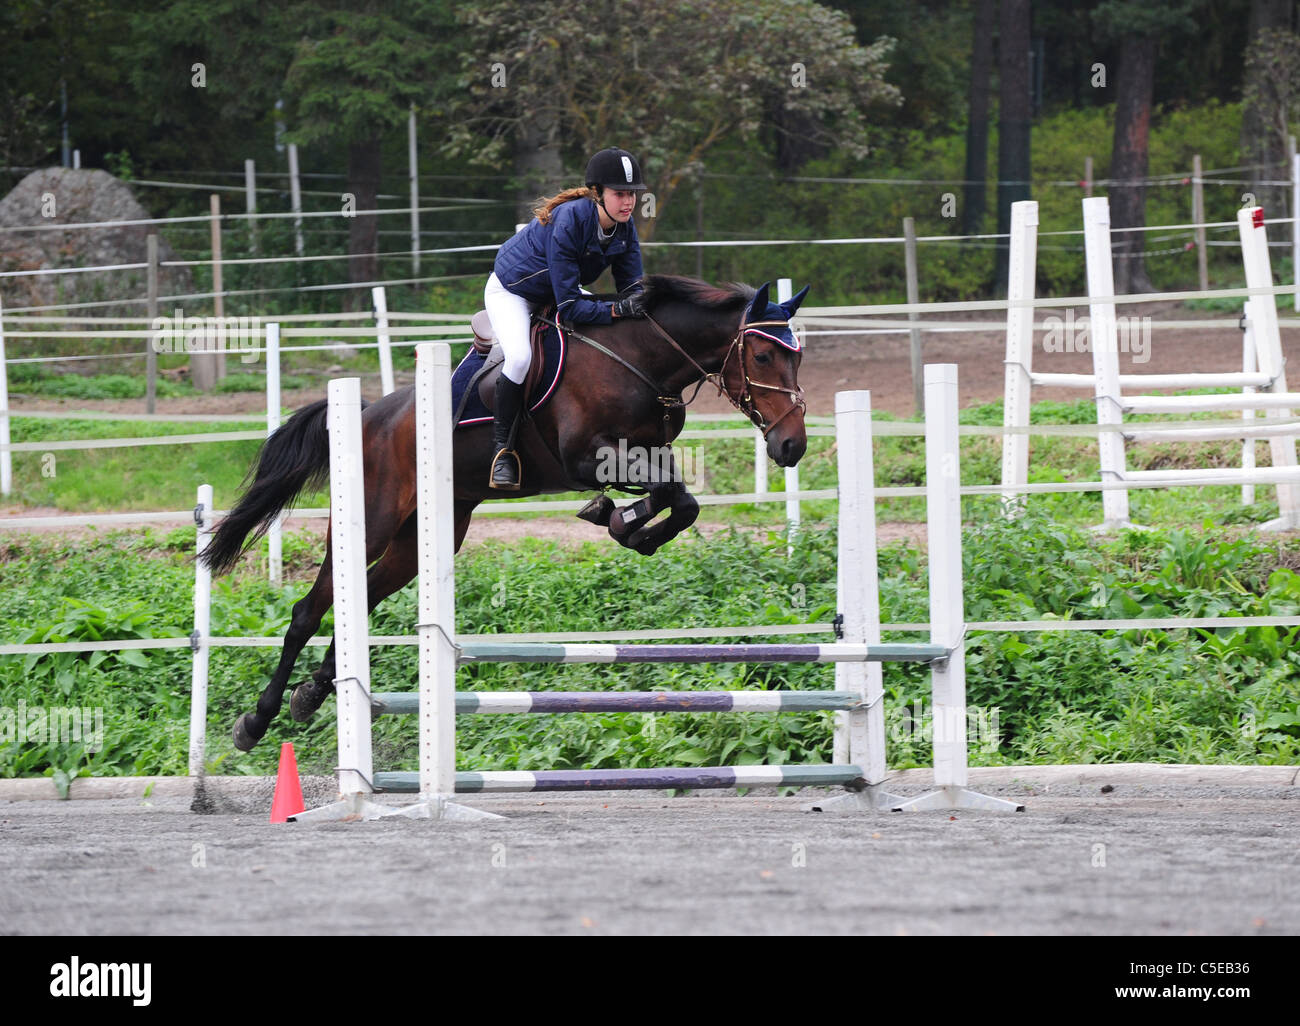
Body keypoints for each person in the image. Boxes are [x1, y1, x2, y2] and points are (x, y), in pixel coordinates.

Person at [483, 147, 649, 489]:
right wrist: (618, 309)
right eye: (620, 194)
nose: (628, 202)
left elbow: (633, 288)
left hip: (557, 292)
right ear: (597, 193)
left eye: (631, 194)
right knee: (519, 358)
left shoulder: (624, 227)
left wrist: (641, 309)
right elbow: (571, 307)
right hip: (513, 292)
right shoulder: (570, 219)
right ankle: (503, 451)